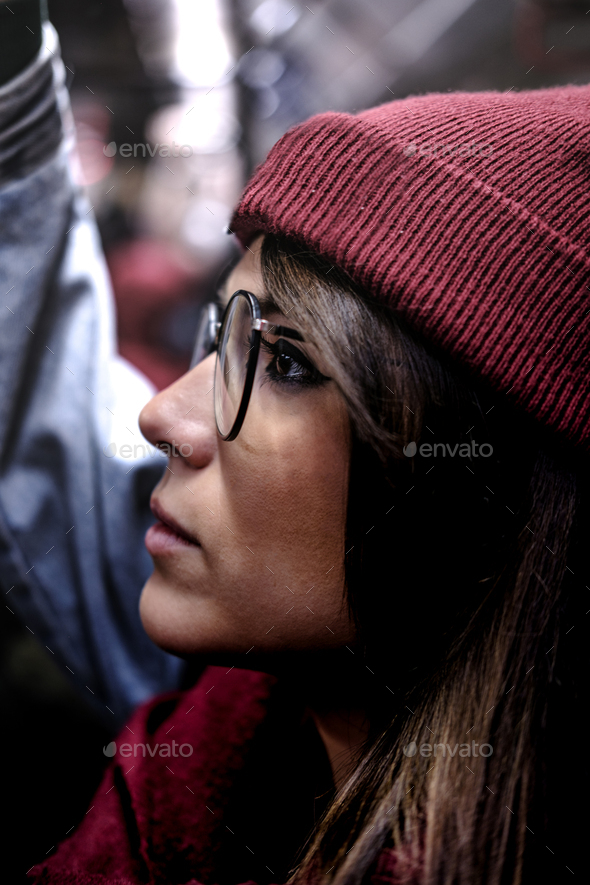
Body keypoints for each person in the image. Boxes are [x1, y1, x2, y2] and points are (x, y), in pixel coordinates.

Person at [1, 3, 588, 885]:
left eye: (283, 360)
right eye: (218, 338)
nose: (160, 415)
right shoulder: (203, 761)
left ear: (472, 482)